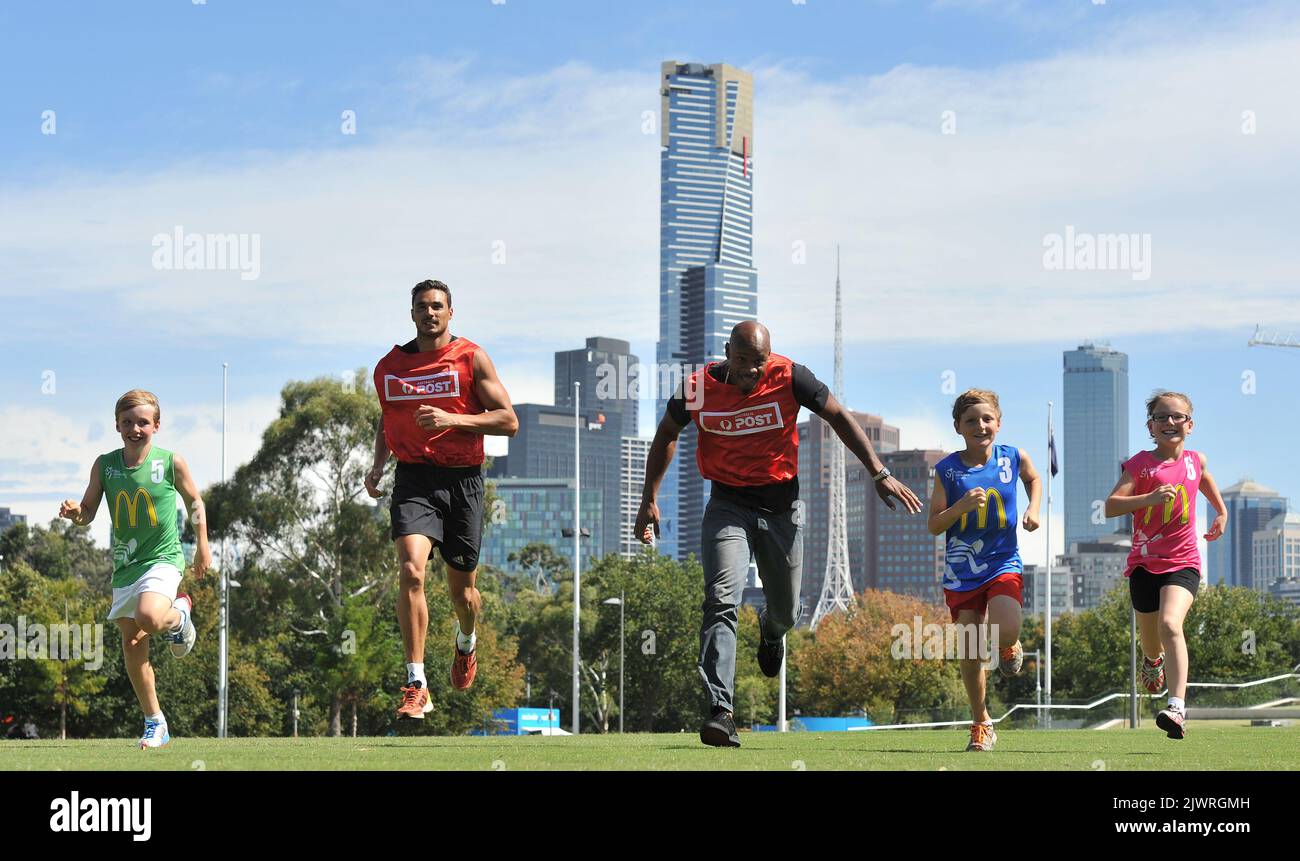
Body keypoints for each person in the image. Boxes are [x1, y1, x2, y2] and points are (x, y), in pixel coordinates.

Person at [635, 321, 922, 747]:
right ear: (726, 352)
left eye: (759, 362)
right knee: (721, 598)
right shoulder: (695, 388)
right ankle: (721, 711)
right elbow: (666, 435)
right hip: (727, 505)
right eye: (743, 360)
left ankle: (771, 632)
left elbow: (839, 416)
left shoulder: (791, 377)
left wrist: (878, 471)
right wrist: (649, 498)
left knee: (786, 610)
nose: (751, 371)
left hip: (781, 506)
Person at [367, 279, 518, 720]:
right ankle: (417, 682)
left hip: (464, 482)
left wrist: (451, 417)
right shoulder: (389, 366)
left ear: (451, 312)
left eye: (437, 306)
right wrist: (377, 465)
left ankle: (465, 642)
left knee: (463, 595)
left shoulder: (471, 358)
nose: (429, 313)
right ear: (411, 314)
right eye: (421, 307)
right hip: (413, 480)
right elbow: (387, 419)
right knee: (411, 570)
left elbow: (509, 421)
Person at [59, 389, 210, 749]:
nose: (135, 428)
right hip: (126, 565)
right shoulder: (105, 465)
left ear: (156, 425)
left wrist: (203, 544)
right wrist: (74, 513)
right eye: (128, 422)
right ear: (117, 425)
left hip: (163, 557)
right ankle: (155, 722)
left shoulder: (171, 462)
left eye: (143, 422)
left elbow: (195, 502)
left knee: (150, 617)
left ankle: (179, 616)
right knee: (132, 645)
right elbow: (88, 513)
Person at [1105, 390, 1227, 740]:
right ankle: (1152, 661)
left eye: (1177, 416)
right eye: (1162, 417)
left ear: (1190, 423)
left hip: (1183, 561)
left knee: (1171, 624)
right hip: (1144, 564)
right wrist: (1150, 497)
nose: (1170, 422)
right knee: (1150, 642)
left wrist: (1221, 511)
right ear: (1150, 426)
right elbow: (1111, 506)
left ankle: (1176, 707)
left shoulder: (1195, 460)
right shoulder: (1141, 465)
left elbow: (1203, 480)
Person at [927, 389, 1041, 752]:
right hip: (962, 572)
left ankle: (1008, 645)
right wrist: (960, 506)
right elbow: (934, 525)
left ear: (999, 423)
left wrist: (1033, 509)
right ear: (958, 427)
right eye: (971, 420)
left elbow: (1034, 480)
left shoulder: (1013, 456)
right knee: (971, 649)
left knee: (1006, 627)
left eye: (987, 419)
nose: (980, 425)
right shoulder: (947, 470)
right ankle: (981, 723)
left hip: (1003, 561)